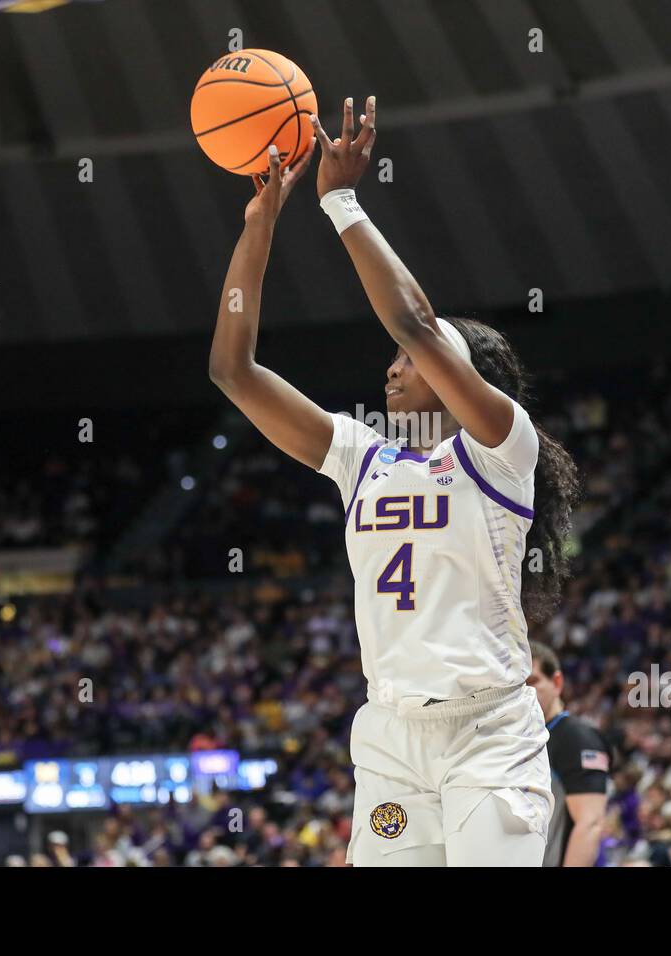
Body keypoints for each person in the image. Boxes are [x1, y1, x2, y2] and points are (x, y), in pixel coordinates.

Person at [208, 96, 578, 866]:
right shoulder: (363, 457)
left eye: (413, 361)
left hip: (489, 731)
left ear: (460, 374)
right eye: (397, 360)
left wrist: (340, 200)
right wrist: (258, 229)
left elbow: (411, 320)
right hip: (390, 738)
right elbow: (233, 372)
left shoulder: (501, 446)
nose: (393, 365)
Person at [526, 643, 610, 866]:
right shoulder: (524, 739)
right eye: (519, 684)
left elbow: (590, 823)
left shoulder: (576, 738)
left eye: (533, 682)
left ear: (556, 682)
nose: (526, 692)